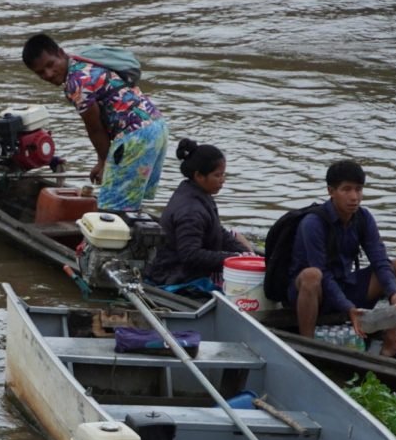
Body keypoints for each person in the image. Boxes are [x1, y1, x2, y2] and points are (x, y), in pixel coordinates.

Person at [21, 33, 168, 214]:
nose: (49, 74)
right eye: (41, 73)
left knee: (111, 206)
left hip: (136, 136)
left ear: (60, 53)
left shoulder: (76, 84)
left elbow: (95, 129)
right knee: (129, 200)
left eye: (50, 65)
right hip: (156, 127)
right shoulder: (83, 60)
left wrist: (103, 162)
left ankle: (112, 239)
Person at [290, 159, 396, 356]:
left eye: (358, 190)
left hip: (345, 284)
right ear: (331, 191)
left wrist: (393, 293)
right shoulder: (313, 223)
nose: (354, 197)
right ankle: (308, 347)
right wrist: (348, 307)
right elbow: (322, 272)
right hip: (314, 294)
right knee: (312, 275)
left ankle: (391, 340)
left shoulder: (363, 217)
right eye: (346, 190)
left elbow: (379, 260)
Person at [145, 139, 252, 291]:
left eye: (223, 174)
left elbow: (217, 230)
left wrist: (243, 253)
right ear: (199, 176)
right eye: (217, 175)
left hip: (182, 267)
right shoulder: (191, 211)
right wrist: (233, 259)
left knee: (237, 238)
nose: (223, 180)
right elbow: (190, 255)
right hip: (176, 275)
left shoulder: (198, 193)